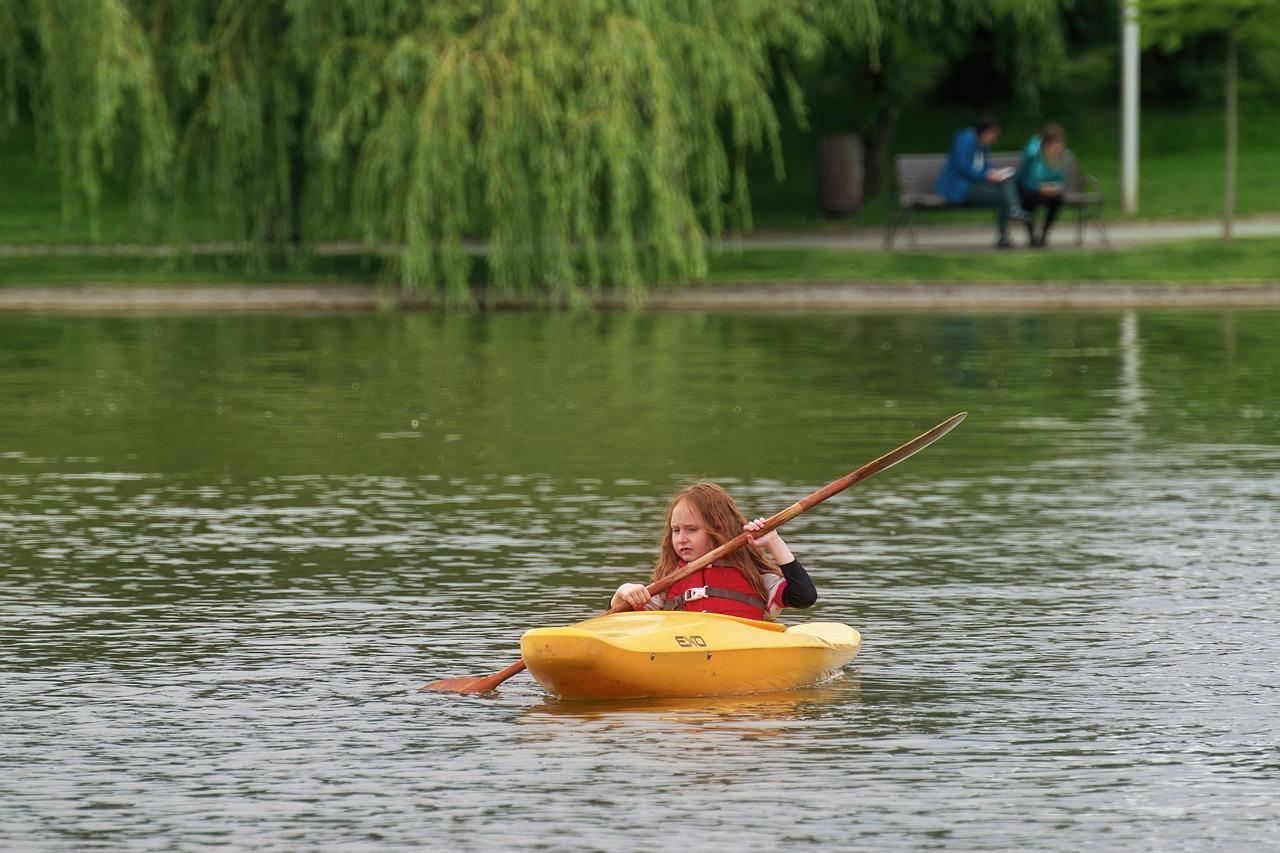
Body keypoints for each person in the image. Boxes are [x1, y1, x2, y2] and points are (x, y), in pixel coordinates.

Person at [611, 482, 818, 620]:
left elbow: (805, 596)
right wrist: (624, 591)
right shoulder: (669, 582)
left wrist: (773, 541)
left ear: (719, 529)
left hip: (739, 653)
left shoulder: (756, 578)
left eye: (692, 530)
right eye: (675, 530)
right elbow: (622, 620)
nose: (681, 539)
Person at [934, 116, 1031, 249]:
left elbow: (984, 166)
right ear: (986, 132)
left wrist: (994, 173)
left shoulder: (982, 145)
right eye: (994, 135)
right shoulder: (966, 141)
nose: (995, 139)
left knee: (1006, 181)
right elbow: (963, 167)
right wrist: (986, 175)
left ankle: (1013, 214)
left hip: (973, 186)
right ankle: (1013, 213)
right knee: (1003, 197)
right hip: (959, 189)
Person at [1017, 123, 1068, 248]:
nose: (1058, 146)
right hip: (1027, 188)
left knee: (1057, 201)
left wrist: (1056, 187)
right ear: (1045, 144)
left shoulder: (1060, 157)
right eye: (1054, 143)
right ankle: (1032, 236)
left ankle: (1044, 235)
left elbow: (1061, 179)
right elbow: (1025, 178)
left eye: (1060, 143)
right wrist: (1039, 188)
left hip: (1048, 191)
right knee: (1029, 200)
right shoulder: (1033, 155)